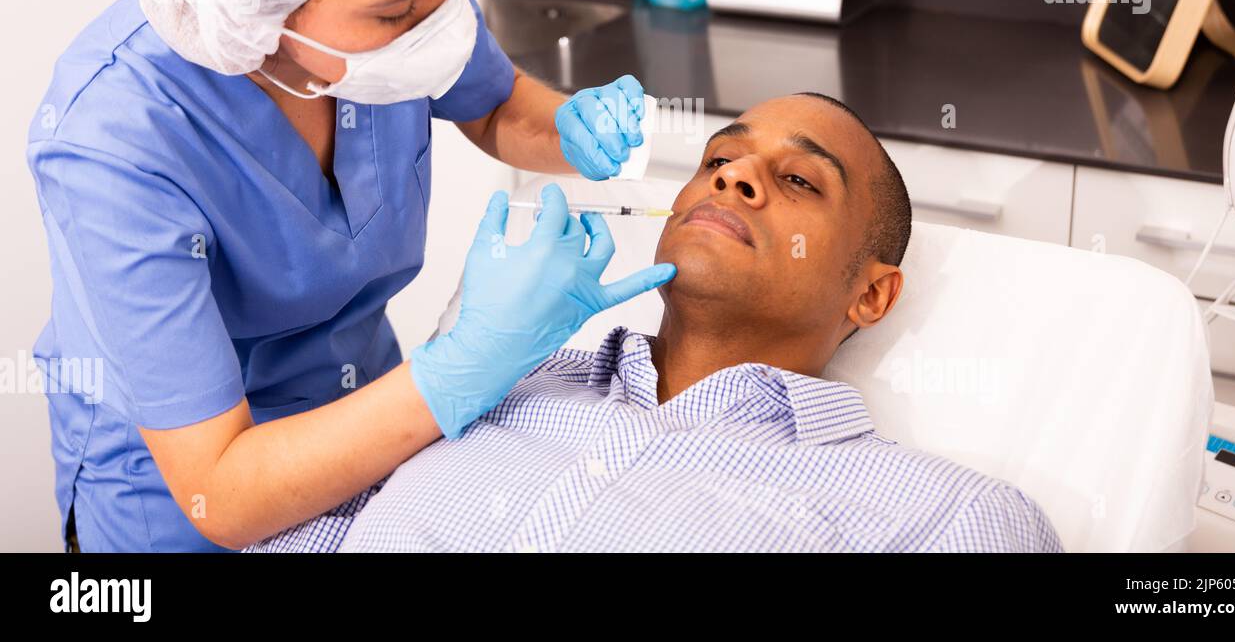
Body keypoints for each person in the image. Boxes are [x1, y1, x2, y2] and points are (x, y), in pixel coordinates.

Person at [26, 0, 672, 552]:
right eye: (404, 8)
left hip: (376, 434)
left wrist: (569, 129)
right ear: (269, 0)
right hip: (185, 510)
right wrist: (457, 370)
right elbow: (218, 489)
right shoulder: (117, 141)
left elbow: (496, 101)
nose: (445, 14)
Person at [249, 93, 1063, 552]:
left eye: (800, 182)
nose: (737, 176)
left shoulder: (947, 516)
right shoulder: (482, 381)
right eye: (718, 161)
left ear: (872, 297)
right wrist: (460, 365)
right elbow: (278, 531)